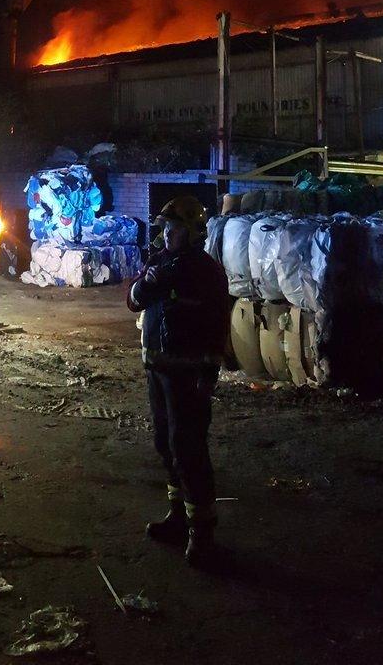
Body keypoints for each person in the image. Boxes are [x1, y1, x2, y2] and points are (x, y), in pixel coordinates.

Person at [127, 194, 230, 566]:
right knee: (165, 444)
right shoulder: (161, 262)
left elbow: (218, 324)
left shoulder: (206, 272)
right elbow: (134, 302)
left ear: (191, 232)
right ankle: (177, 517)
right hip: (157, 368)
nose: (166, 234)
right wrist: (145, 283)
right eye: (165, 228)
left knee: (189, 451)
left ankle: (202, 535)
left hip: (188, 374)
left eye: (173, 229)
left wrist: (210, 369)